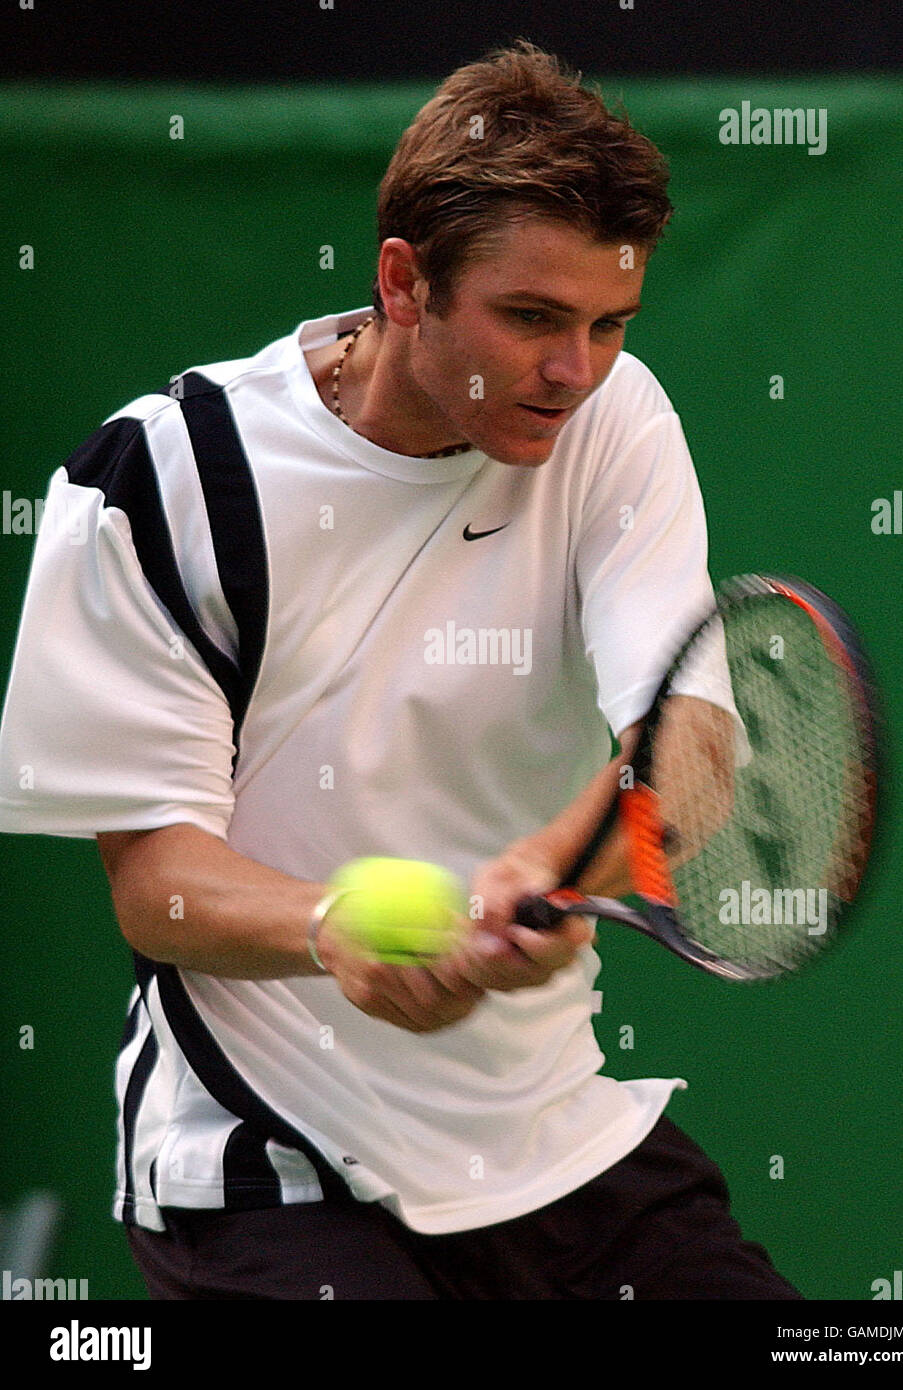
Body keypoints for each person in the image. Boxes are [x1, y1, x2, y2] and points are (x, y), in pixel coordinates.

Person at [0, 42, 801, 1300]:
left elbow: (686, 755)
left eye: (606, 324)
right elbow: (155, 888)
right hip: (266, 1158)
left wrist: (554, 869)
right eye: (532, 318)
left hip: (553, 1138)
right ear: (403, 282)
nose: (572, 371)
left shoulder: (616, 421)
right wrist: (335, 931)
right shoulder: (156, 481)